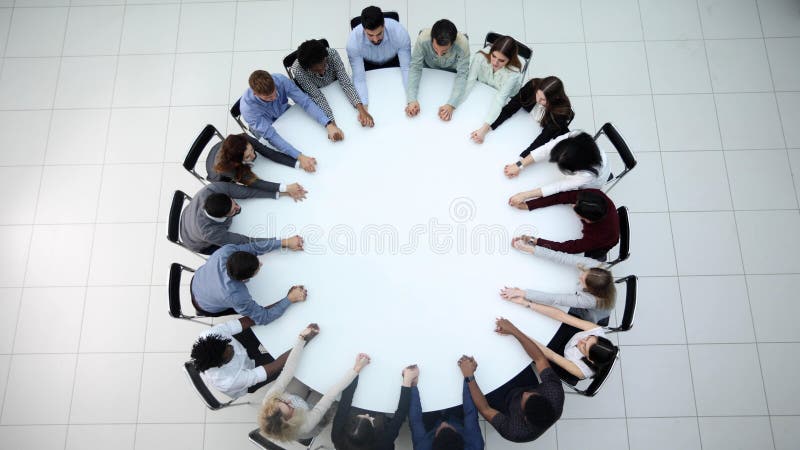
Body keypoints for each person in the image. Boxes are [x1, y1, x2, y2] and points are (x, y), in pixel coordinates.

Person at [259, 324, 370, 442]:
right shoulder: (305, 426)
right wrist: (355, 370)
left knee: (302, 374)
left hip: (297, 409)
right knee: (327, 387)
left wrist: (301, 339)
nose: (289, 400)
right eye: (290, 407)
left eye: (281, 400)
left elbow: (287, 371)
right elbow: (329, 397)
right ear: (290, 420)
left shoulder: (270, 400)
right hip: (309, 414)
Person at [461, 318, 563, 443]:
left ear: (524, 418)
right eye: (533, 394)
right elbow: (540, 359)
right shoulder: (555, 393)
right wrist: (513, 330)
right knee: (501, 349)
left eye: (525, 399)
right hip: (525, 382)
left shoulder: (515, 431)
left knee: (480, 377)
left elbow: (486, 409)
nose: (526, 394)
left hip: (502, 403)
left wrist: (469, 376)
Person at [240, 70, 345, 173]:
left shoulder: (280, 80)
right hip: (265, 128)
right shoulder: (248, 109)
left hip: (286, 113)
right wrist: (299, 156)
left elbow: (305, 102)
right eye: (269, 97)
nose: (274, 97)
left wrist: (328, 124)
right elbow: (271, 135)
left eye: (275, 93)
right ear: (255, 94)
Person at [190, 240, 307, 325]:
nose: (261, 263)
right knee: (252, 309)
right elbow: (263, 317)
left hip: (198, 280)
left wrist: (284, 242)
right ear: (243, 280)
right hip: (204, 305)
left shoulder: (226, 251)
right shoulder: (236, 296)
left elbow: (253, 248)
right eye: (258, 268)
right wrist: (290, 299)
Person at [499, 300, 618, 384]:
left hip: (558, 353)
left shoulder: (580, 371)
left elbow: (551, 355)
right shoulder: (596, 331)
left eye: (584, 347)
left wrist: (515, 332)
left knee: (516, 345)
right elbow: (561, 316)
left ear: (589, 359)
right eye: (588, 337)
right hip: (567, 333)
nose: (582, 340)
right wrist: (527, 303)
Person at [505, 235, 616, 324]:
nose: (579, 276)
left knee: (569, 312)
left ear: (591, 290)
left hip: (593, 313)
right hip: (600, 295)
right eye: (585, 273)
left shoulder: (591, 300)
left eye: (583, 281)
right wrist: (530, 249)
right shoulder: (596, 266)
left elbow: (555, 299)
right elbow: (561, 257)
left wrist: (523, 293)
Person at [179, 181, 306, 255]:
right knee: (238, 252)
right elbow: (246, 242)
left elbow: (247, 192)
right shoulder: (209, 233)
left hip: (189, 213)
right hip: (194, 240)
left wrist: (283, 193)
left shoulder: (212, 189)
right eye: (233, 210)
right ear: (223, 217)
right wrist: (284, 242)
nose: (238, 207)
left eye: (233, 201)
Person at [472, 76, 574, 167]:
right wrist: (486, 129)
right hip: (524, 122)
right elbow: (510, 108)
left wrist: (520, 163)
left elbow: (542, 139)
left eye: (543, 99)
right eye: (537, 95)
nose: (538, 101)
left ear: (554, 99)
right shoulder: (532, 85)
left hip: (548, 133)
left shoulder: (561, 112)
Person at [190, 316, 291, 399]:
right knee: (286, 366)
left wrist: (271, 312)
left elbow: (247, 321)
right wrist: (300, 344)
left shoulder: (211, 335)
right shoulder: (229, 381)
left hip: (242, 346)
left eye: (227, 344)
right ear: (222, 364)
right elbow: (273, 368)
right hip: (249, 373)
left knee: (261, 324)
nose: (231, 346)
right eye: (229, 353)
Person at [507, 130, 610, 204]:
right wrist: (519, 165)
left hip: (592, 183)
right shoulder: (575, 136)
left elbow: (559, 186)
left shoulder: (588, 174)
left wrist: (525, 195)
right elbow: (547, 148)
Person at [331, 364, 417, 450]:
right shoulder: (383, 444)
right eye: (369, 419)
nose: (367, 414)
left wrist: (356, 371)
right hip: (382, 426)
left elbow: (344, 403)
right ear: (372, 434)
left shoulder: (337, 436)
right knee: (387, 412)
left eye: (361, 417)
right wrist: (407, 381)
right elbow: (400, 414)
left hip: (359, 410)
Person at [292, 39, 374, 128]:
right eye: (316, 70)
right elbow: (317, 96)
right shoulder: (298, 70)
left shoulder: (332, 54)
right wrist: (332, 124)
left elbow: (345, 83)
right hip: (318, 89)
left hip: (336, 85)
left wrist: (362, 110)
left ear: (325, 58)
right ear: (307, 68)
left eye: (323, 66)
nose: (322, 72)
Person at [520, 189, 620, 261]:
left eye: (576, 207)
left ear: (587, 220)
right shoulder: (593, 195)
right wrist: (530, 205)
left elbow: (567, 248)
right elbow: (561, 196)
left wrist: (535, 241)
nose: (573, 204)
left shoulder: (600, 236)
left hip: (598, 248)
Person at [346, 5, 412, 113]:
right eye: (370, 35)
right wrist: (364, 109)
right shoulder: (353, 42)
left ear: (384, 25)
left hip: (394, 60)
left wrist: (411, 100)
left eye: (379, 34)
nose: (376, 39)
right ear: (363, 29)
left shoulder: (400, 33)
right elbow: (359, 78)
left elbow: (407, 69)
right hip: (367, 63)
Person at [408, 359, 484, 450]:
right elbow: (471, 413)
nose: (444, 423)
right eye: (448, 427)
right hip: (458, 420)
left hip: (431, 426)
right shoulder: (474, 446)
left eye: (441, 428)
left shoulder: (422, 447)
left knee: (420, 400)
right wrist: (468, 375)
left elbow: (415, 421)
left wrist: (412, 384)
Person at [405, 19, 470, 122]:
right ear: (432, 39)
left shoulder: (463, 44)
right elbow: (415, 68)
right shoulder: (422, 39)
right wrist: (412, 99)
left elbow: (462, 75)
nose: (439, 54)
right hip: (428, 69)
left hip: (451, 72)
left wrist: (451, 104)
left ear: (453, 43)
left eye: (444, 51)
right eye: (435, 49)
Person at [206, 133, 309, 193]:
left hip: (224, 147)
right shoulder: (227, 168)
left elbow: (269, 153)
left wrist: (298, 164)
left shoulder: (244, 138)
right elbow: (255, 183)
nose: (254, 156)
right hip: (217, 171)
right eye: (247, 156)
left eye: (251, 150)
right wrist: (286, 188)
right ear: (238, 161)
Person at [464, 36, 523, 136]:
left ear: (510, 59)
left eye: (501, 60)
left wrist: (484, 129)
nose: (495, 63)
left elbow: (500, 99)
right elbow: (470, 81)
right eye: (493, 56)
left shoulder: (514, 73)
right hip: (480, 94)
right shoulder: (480, 56)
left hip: (501, 98)